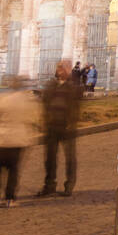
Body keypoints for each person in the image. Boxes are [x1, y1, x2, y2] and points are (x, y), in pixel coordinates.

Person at [0, 76, 39, 208]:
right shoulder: (28, 101)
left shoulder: (2, 100)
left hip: (1, 138)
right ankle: (10, 197)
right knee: (14, 170)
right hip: (19, 139)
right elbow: (33, 119)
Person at [37, 60, 81, 197]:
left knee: (70, 158)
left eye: (62, 67)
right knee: (50, 158)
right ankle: (49, 185)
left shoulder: (74, 87)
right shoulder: (51, 85)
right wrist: (44, 120)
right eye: (58, 67)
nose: (59, 70)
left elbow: (75, 108)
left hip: (67, 128)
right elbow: (45, 103)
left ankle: (69, 185)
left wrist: (71, 123)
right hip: (51, 126)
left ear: (68, 70)